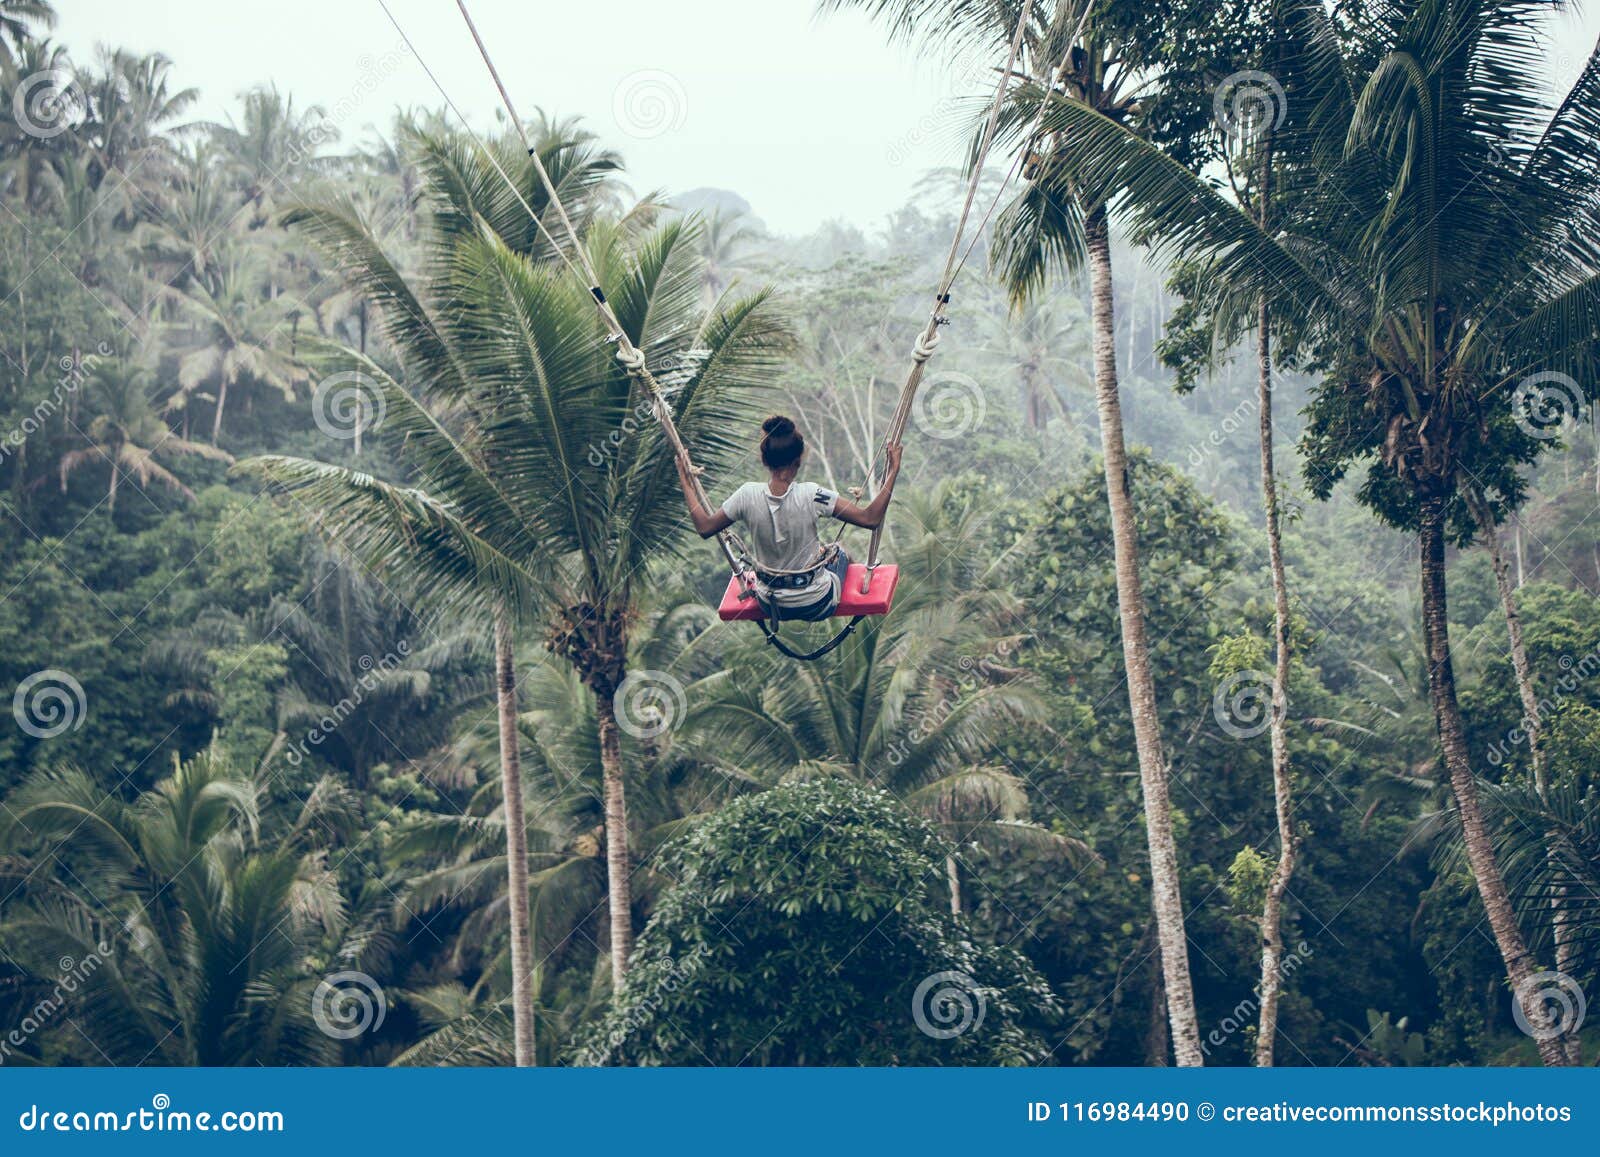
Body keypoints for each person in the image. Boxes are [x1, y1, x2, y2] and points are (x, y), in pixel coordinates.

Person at [676, 415, 902, 621]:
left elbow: (705, 527)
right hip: (817, 603)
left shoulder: (746, 495)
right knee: (838, 552)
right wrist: (893, 471)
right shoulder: (812, 495)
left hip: (770, 604)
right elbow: (870, 519)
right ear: (797, 462)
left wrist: (686, 481)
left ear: (765, 460)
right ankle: (859, 592)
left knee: (822, 554)